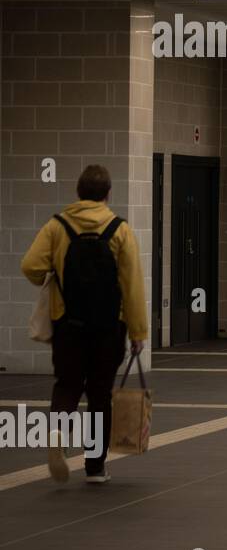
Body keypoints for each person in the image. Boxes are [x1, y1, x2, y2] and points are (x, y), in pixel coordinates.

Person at [21, 164, 147, 485]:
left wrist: (51, 277)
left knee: (67, 385)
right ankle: (94, 467)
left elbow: (30, 266)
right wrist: (138, 332)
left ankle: (58, 433)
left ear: (78, 192)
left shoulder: (57, 225)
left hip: (68, 324)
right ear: (107, 194)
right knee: (100, 395)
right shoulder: (119, 229)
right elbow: (132, 285)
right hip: (108, 327)